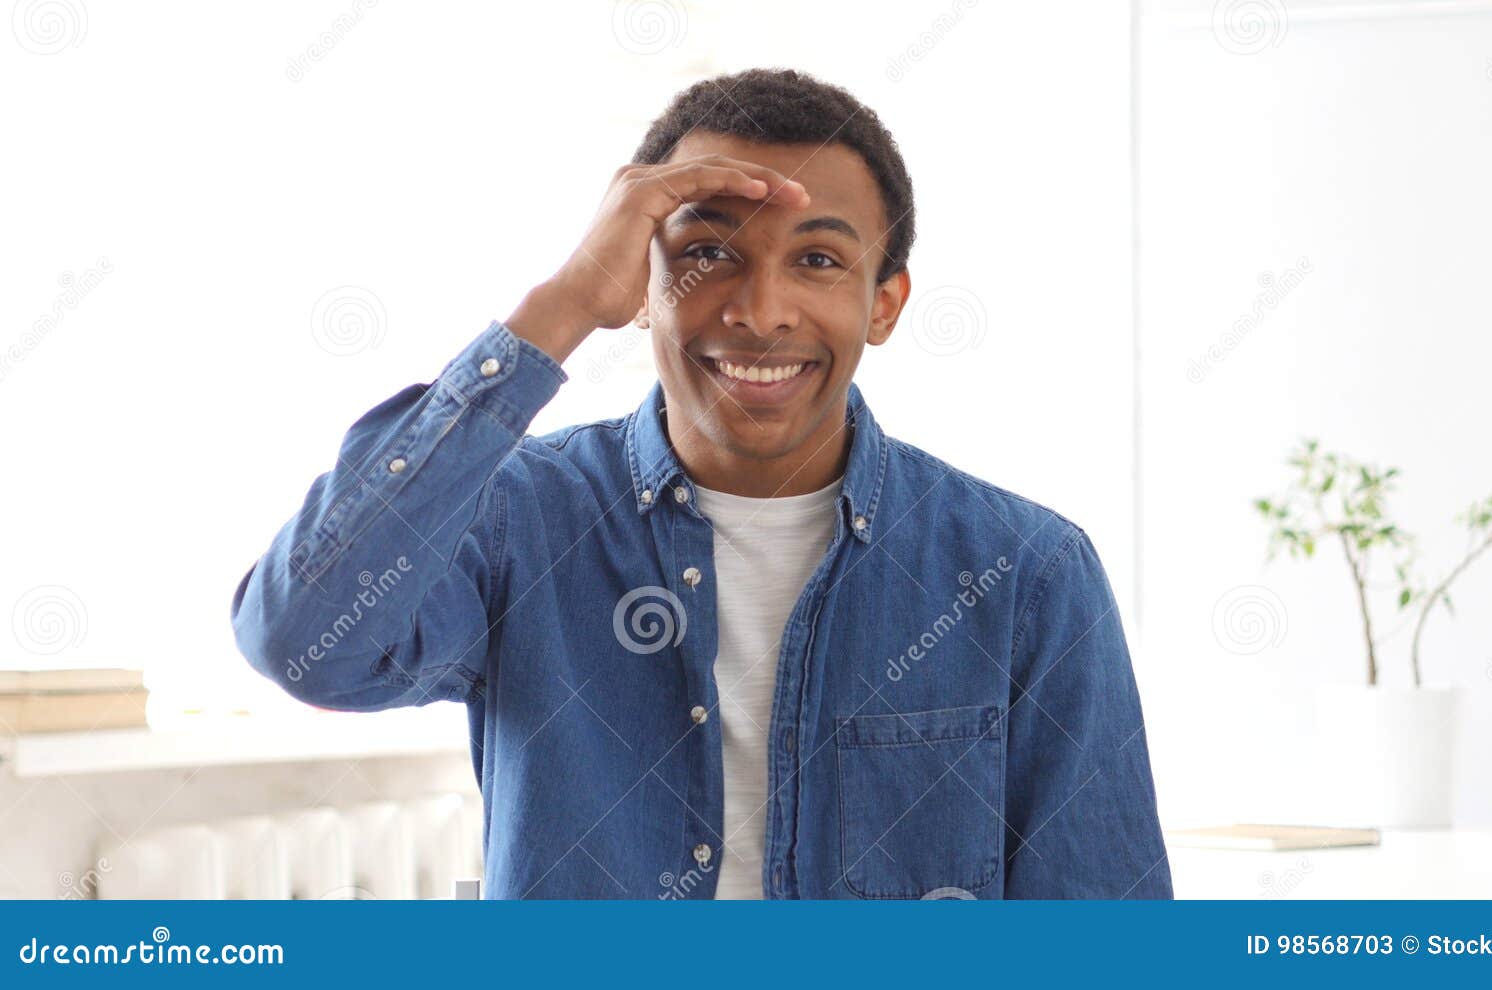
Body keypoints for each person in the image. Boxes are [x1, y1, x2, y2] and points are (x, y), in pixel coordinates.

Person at [231, 67, 1171, 900]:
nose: (760, 312)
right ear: (637, 285)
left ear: (882, 303)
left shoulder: (1028, 571)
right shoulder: (518, 519)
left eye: (817, 259)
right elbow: (305, 640)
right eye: (705, 254)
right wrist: (557, 308)